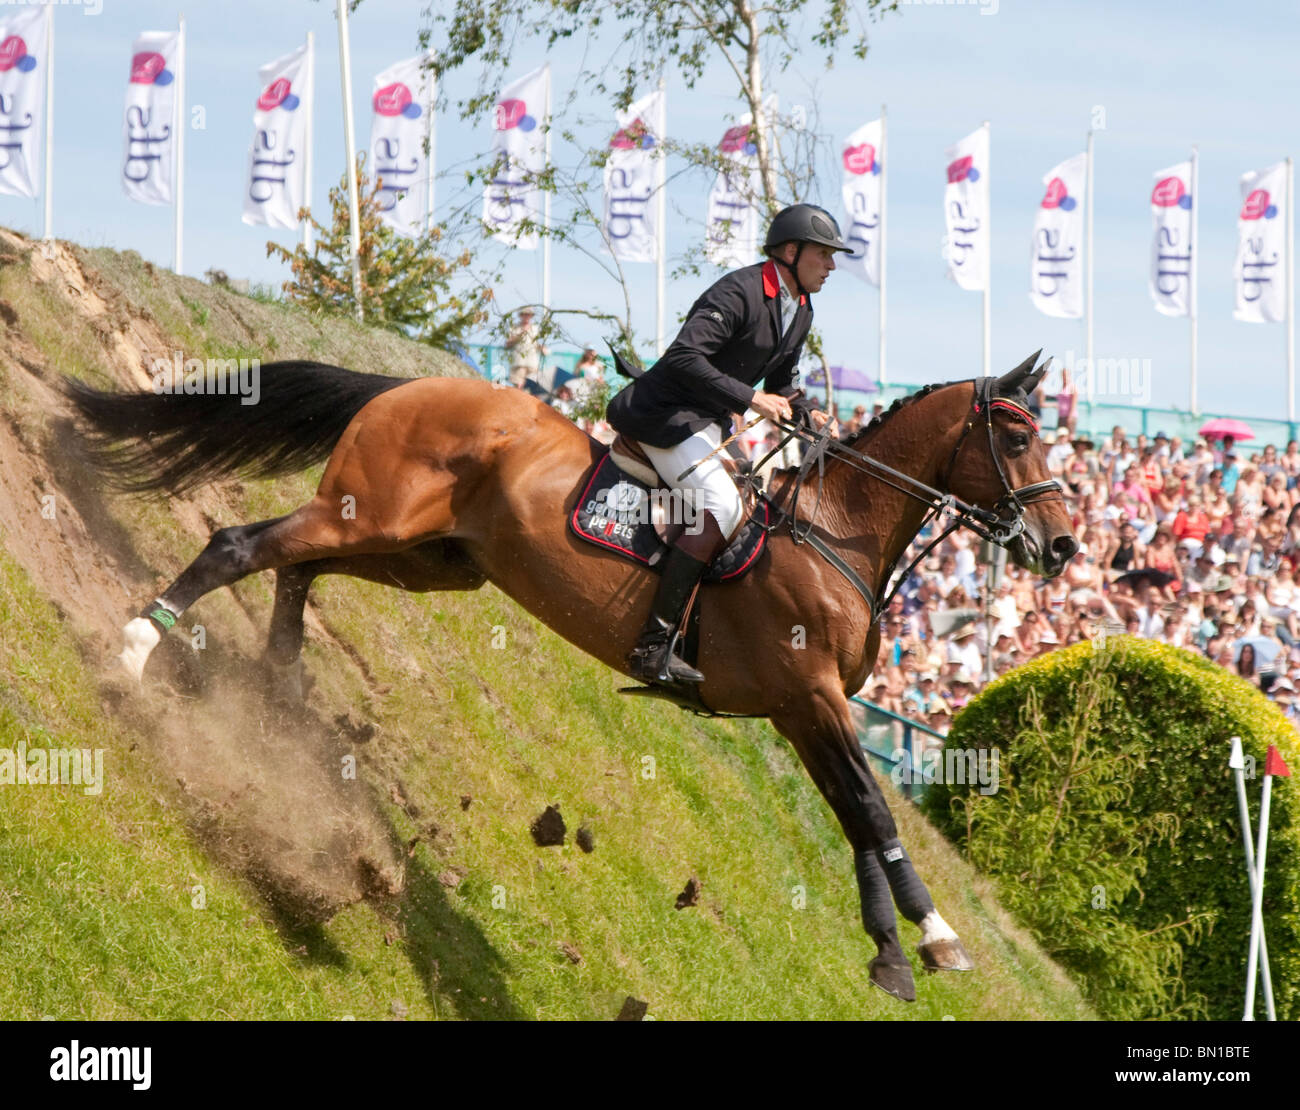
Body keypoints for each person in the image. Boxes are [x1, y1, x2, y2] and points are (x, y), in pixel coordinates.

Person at [606, 203, 850, 687]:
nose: (831, 265)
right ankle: (652, 647)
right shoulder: (739, 290)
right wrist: (751, 397)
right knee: (719, 505)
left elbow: (782, 384)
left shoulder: (800, 309)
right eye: (823, 254)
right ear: (790, 250)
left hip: (705, 422)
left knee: (749, 500)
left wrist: (806, 412)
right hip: (664, 416)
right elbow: (683, 357)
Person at [505, 308, 546, 388]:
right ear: (521, 315)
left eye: (529, 314)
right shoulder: (514, 328)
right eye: (525, 314)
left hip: (532, 363)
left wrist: (542, 348)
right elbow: (508, 344)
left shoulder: (535, 329)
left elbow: (535, 343)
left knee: (532, 387)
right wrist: (520, 334)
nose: (527, 316)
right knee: (518, 386)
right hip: (518, 362)